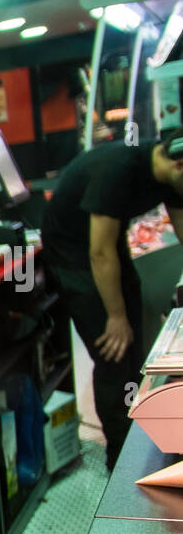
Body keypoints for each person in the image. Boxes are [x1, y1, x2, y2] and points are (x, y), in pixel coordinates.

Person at [40, 128, 183, 468]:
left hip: (106, 247)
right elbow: (99, 254)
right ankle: (120, 460)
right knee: (114, 353)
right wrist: (115, 317)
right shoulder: (118, 170)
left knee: (136, 346)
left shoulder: (174, 175)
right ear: (179, 164)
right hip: (74, 255)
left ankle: (142, 441)